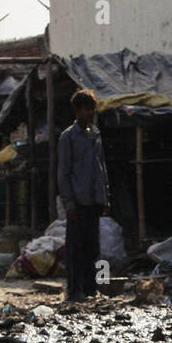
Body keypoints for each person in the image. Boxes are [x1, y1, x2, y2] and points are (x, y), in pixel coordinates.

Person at [57, 89, 111, 302]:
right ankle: (74, 290)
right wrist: (69, 204)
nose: (91, 113)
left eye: (92, 109)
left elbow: (101, 168)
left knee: (92, 247)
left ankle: (90, 288)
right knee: (76, 248)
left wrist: (105, 197)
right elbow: (63, 174)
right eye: (87, 109)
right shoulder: (68, 137)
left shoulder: (95, 135)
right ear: (78, 110)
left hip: (94, 200)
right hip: (78, 201)